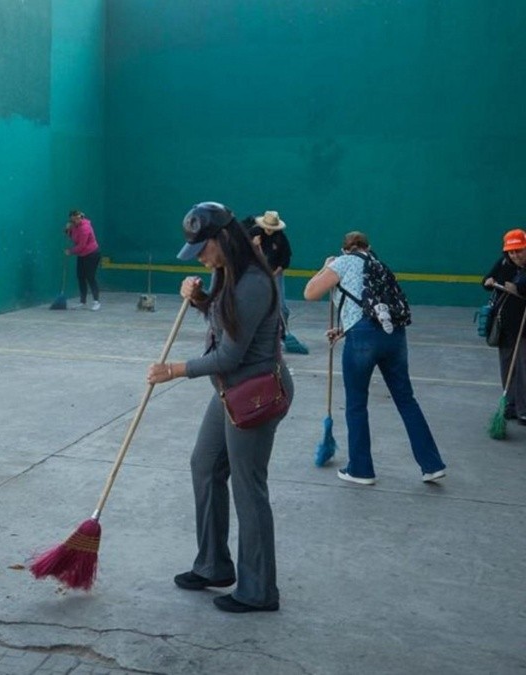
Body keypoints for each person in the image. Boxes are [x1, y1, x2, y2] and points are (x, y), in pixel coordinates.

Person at [145, 202, 290, 614]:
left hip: (254, 395)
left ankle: (260, 590)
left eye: (203, 249)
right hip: (229, 391)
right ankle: (213, 565)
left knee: (249, 487)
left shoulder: (254, 283)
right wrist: (199, 299)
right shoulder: (226, 271)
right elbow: (222, 318)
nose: (201, 257)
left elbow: (228, 355)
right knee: (205, 465)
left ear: (223, 239)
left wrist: (174, 369)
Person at [303, 231, 446, 485]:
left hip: (363, 339)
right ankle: (431, 464)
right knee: (406, 400)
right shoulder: (379, 265)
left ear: (345, 249)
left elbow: (310, 293)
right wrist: (342, 330)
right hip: (394, 336)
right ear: (369, 247)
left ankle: (360, 469)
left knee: (356, 404)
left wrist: (324, 268)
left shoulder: (343, 262)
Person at [245, 211, 308, 354]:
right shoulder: (254, 233)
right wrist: (253, 244)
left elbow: (285, 261)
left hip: (275, 274)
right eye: (268, 227)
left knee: (281, 307)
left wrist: (274, 273)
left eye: (273, 228)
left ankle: (282, 334)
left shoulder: (281, 239)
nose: (270, 230)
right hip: (256, 274)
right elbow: (243, 251)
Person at [481, 229, 526, 425]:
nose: (515, 255)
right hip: (505, 326)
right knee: (507, 367)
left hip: (524, 328)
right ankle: (510, 406)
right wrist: (490, 282)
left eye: (519, 250)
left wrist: (519, 290)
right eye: (511, 251)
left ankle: (524, 410)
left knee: (524, 369)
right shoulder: (503, 264)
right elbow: (486, 281)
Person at [65, 210, 101, 311]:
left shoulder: (85, 227)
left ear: (80, 217)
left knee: (90, 277)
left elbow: (82, 245)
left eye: (76, 219)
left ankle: (96, 302)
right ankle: (83, 302)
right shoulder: (74, 226)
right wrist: (67, 230)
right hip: (82, 255)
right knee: (80, 277)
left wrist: (70, 251)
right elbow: (72, 236)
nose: (75, 221)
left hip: (92, 254)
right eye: (72, 219)